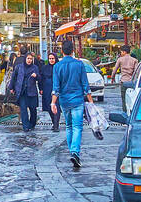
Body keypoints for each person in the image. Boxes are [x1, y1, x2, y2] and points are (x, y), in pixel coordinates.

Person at [51, 39, 92, 169]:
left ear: (62, 51)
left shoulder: (57, 66)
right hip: (77, 100)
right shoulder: (79, 65)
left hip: (64, 101)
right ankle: (75, 152)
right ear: (73, 50)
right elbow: (85, 85)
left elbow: (56, 87)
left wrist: (53, 103)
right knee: (77, 127)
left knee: (69, 127)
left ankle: (72, 152)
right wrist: (91, 102)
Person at [10, 51, 41, 131]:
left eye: (31, 59)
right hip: (22, 90)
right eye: (28, 58)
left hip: (32, 91)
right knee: (23, 109)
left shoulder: (35, 67)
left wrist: (36, 76)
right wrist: (11, 87)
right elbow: (13, 78)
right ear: (25, 59)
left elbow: (40, 78)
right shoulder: (19, 67)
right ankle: (26, 126)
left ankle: (32, 124)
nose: (29, 60)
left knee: (33, 109)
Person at [39, 50, 59, 131]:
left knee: (56, 106)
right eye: (50, 58)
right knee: (49, 106)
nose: (51, 60)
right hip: (46, 89)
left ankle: (56, 125)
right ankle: (54, 123)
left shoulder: (58, 67)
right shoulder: (44, 68)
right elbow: (41, 78)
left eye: (53, 58)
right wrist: (40, 88)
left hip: (56, 88)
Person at [114, 45, 137, 109]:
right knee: (132, 98)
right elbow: (136, 72)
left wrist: (112, 77)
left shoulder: (120, 59)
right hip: (131, 82)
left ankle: (124, 112)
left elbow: (115, 70)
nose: (121, 53)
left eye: (121, 52)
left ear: (124, 52)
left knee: (124, 99)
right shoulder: (134, 60)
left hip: (123, 82)